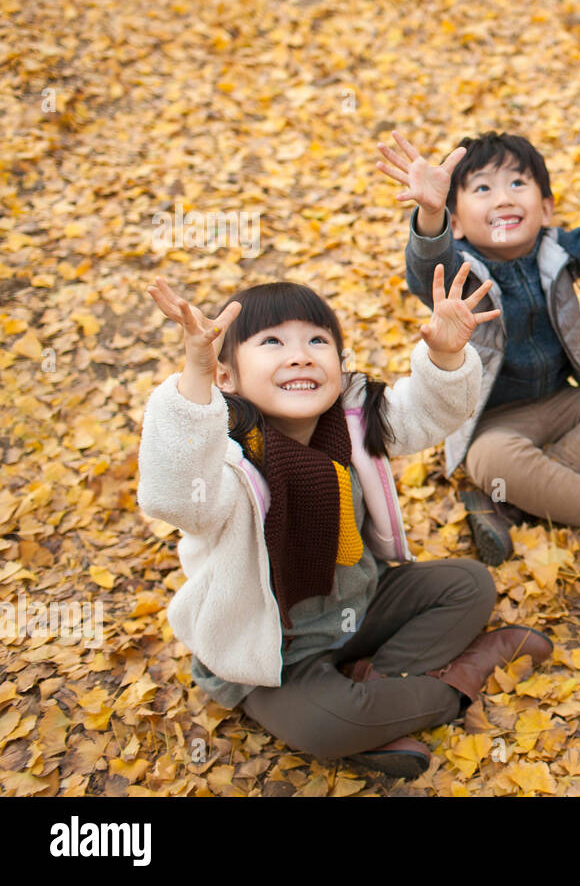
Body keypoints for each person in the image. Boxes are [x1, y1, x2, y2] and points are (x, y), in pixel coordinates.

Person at [136, 267, 552, 778]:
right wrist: (194, 376)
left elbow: (430, 412)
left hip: (359, 605)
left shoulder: (353, 420)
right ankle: (465, 672)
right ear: (228, 377)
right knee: (326, 729)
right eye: (271, 342)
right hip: (275, 654)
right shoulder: (222, 460)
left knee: (468, 584)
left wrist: (445, 355)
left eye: (317, 340)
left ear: (338, 361)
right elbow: (173, 497)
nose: (299, 354)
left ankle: (370, 691)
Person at [377, 129, 580, 565]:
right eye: (482, 189)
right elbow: (427, 269)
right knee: (495, 461)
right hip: (492, 427)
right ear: (456, 223)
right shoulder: (460, 271)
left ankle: (510, 502)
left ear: (546, 208)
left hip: (558, 403)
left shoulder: (559, 250)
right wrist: (431, 214)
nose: (503, 199)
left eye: (518, 183)